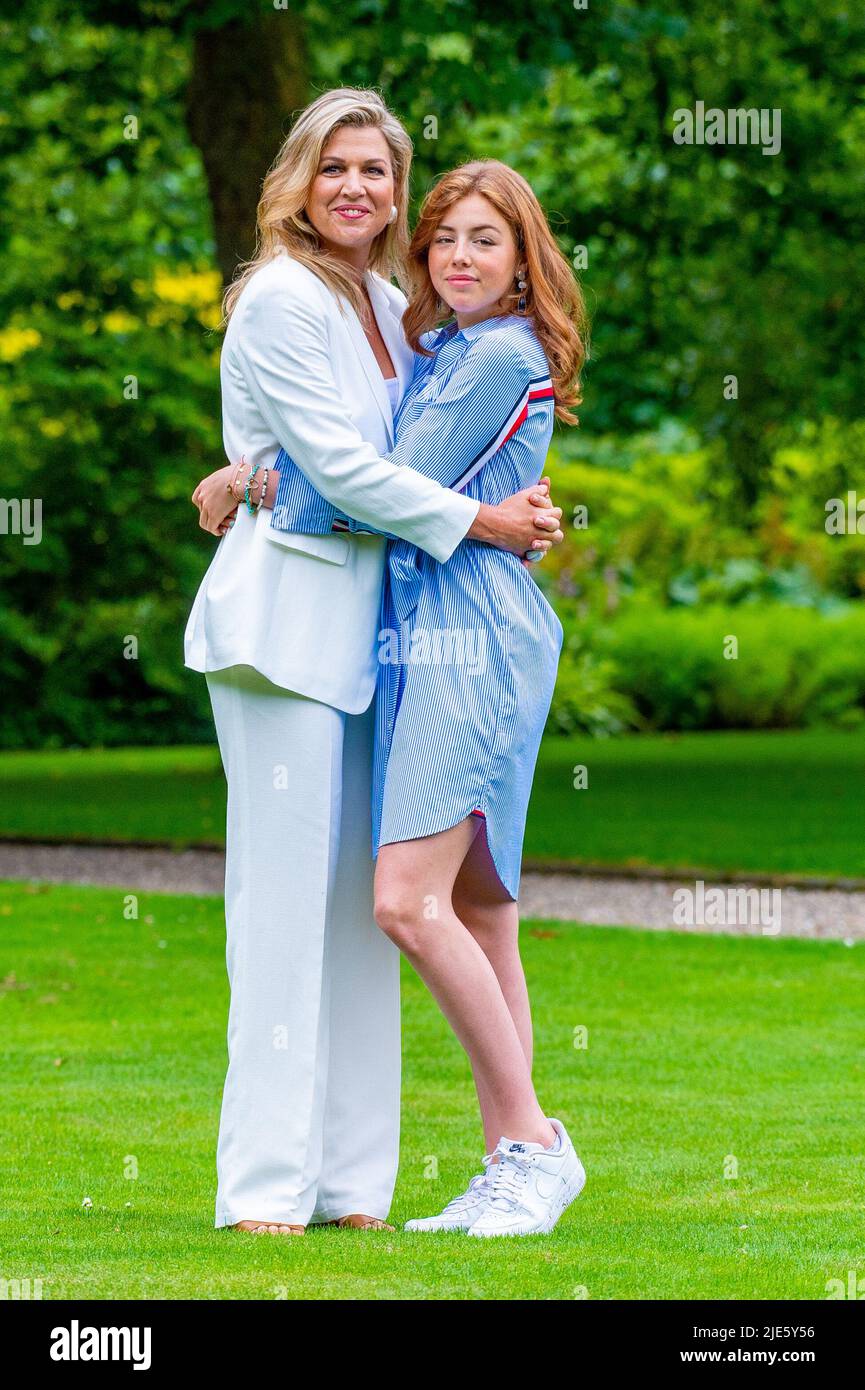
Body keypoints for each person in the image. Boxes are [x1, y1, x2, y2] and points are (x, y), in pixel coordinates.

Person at [185, 89, 564, 1236]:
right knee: (282, 908)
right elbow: (353, 472)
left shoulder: (392, 305)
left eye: (379, 172)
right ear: (299, 179)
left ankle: (352, 1188)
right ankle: (263, 1188)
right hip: (285, 637)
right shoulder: (281, 298)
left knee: (365, 915)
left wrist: (251, 477)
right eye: (336, 166)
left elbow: (404, 452)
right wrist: (482, 521)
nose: (358, 187)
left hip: (379, 643)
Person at [368, 160, 589, 1236]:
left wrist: (252, 478)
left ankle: (532, 1143)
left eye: (483, 239)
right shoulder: (453, 348)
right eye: (444, 236)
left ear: (521, 262)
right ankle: (512, 1163)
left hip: (473, 639)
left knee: (408, 900)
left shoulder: (497, 351)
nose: (458, 254)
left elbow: (385, 481)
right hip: (459, 627)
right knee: (479, 908)